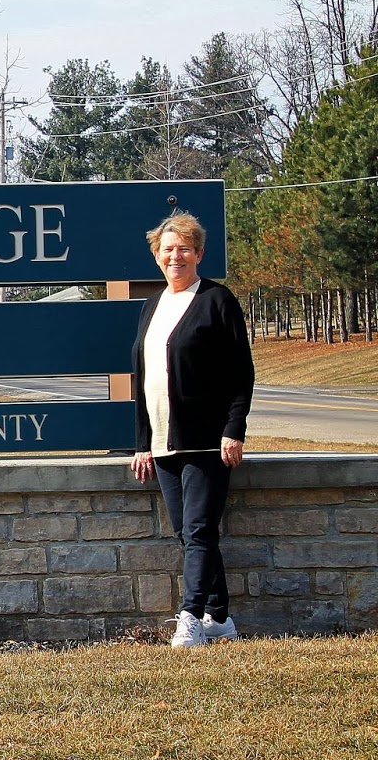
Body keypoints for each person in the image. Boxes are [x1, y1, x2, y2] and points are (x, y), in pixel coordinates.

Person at [128, 212, 253, 647]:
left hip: (206, 440)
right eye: (167, 249)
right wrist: (143, 443)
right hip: (163, 443)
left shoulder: (217, 300)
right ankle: (219, 617)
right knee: (188, 533)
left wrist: (234, 429)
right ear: (156, 256)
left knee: (199, 530)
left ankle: (191, 617)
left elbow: (242, 372)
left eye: (184, 248)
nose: (175, 256)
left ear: (198, 253)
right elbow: (142, 379)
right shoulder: (152, 305)